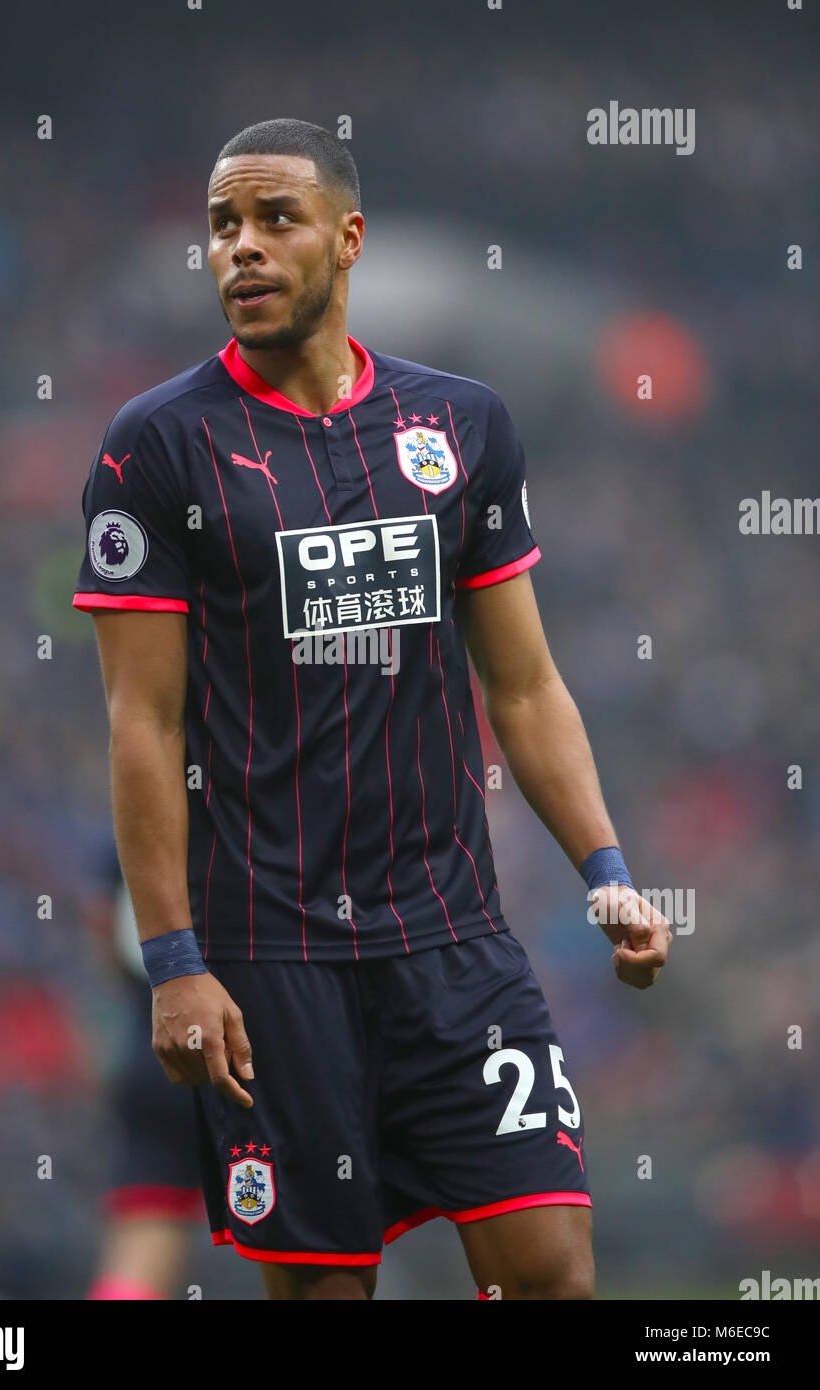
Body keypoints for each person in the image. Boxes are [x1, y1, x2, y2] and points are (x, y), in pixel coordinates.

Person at [72, 117, 672, 1301]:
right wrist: (175, 962)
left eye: (273, 219)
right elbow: (142, 726)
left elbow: (523, 684)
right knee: (323, 1291)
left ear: (346, 240)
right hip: (269, 961)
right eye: (221, 226)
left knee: (552, 1269)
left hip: (452, 942)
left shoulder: (459, 425)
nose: (240, 248)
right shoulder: (157, 448)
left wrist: (604, 865)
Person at [86, 860, 207, 1300]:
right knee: (299, 1247)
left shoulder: (129, 829)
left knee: (143, 1239)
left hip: (156, 1058)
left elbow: (106, 943)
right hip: (255, 1061)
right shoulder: (267, 821)